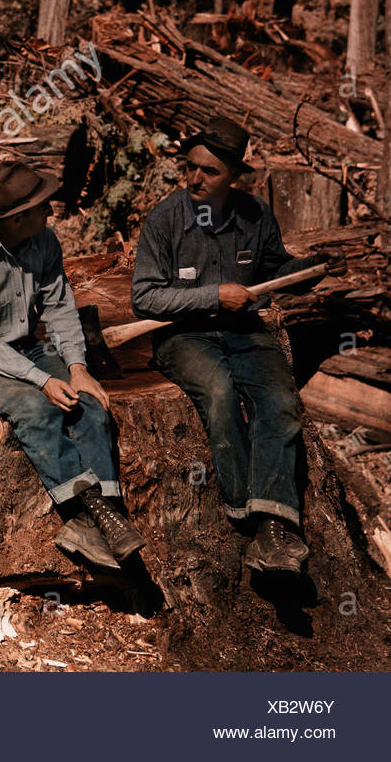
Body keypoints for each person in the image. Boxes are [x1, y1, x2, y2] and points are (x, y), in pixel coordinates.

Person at [131, 117, 344, 574]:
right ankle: (242, 510)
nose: (195, 178)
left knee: (279, 401)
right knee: (220, 392)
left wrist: (311, 269)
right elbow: (144, 297)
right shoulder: (166, 219)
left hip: (244, 330)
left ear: (232, 176)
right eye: (190, 167)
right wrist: (213, 295)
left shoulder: (255, 215)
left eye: (209, 171)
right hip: (182, 334)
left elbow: (276, 270)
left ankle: (273, 526)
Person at [0, 161, 144, 571]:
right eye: (42, 206)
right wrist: (44, 380)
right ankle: (94, 513)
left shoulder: (44, 241)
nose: (50, 211)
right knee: (35, 409)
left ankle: (98, 521)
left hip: (26, 348)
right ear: (18, 218)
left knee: (88, 402)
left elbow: (60, 308)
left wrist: (77, 367)